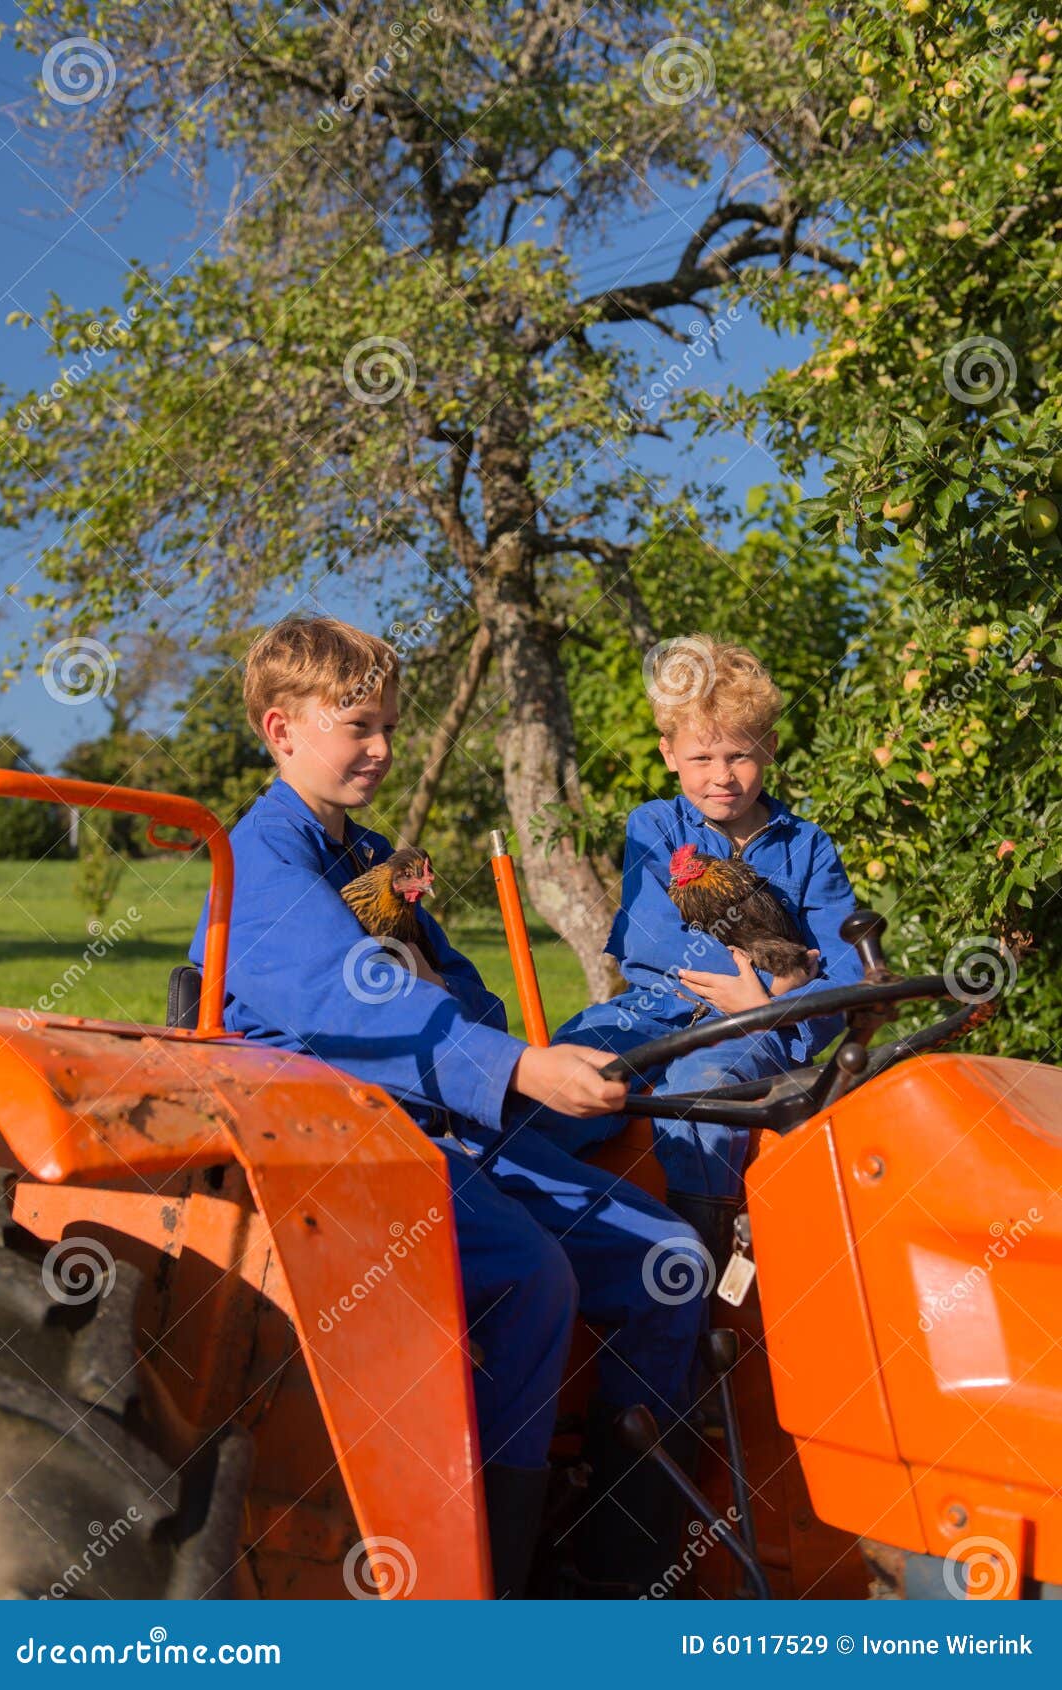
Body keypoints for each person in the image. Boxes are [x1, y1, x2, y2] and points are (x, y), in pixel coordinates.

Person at [188, 614, 705, 1598]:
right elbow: (350, 1002)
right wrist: (514, 1069)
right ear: (281, 730)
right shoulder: (258, 866)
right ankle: (485, 1587)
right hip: (335, 1140)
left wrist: (529, 1054)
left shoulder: (371, 855)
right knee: (532, 1279)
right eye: (358, 727)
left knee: (668, 1263)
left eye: (389, 726)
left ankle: (620, 1572)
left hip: (443, 1117)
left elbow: (464, 997)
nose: (382, 749)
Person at [539, 635, 862, 1259]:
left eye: (740, 755)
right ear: (669, 754)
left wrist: (770, 1008)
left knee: (702, 1092)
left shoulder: (808, 846)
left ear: (770, 747)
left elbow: (846, 971)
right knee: (564, 1075)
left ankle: (697, 1256)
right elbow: (653, 939)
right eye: (702, 757)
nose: (722, 775)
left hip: (757, 1027)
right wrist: (773, 980)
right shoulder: (655, 826)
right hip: (652, 1010)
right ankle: (554, 1227)